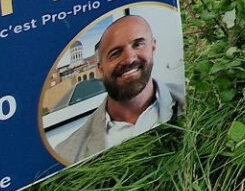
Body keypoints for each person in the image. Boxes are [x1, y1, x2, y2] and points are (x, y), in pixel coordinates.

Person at [54, 10, 186, 165]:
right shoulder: (67, 152)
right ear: (100, 68)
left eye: (138, 44)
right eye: (115, 54)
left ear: (153, 46)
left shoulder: (194, 101)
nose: (129, 59)